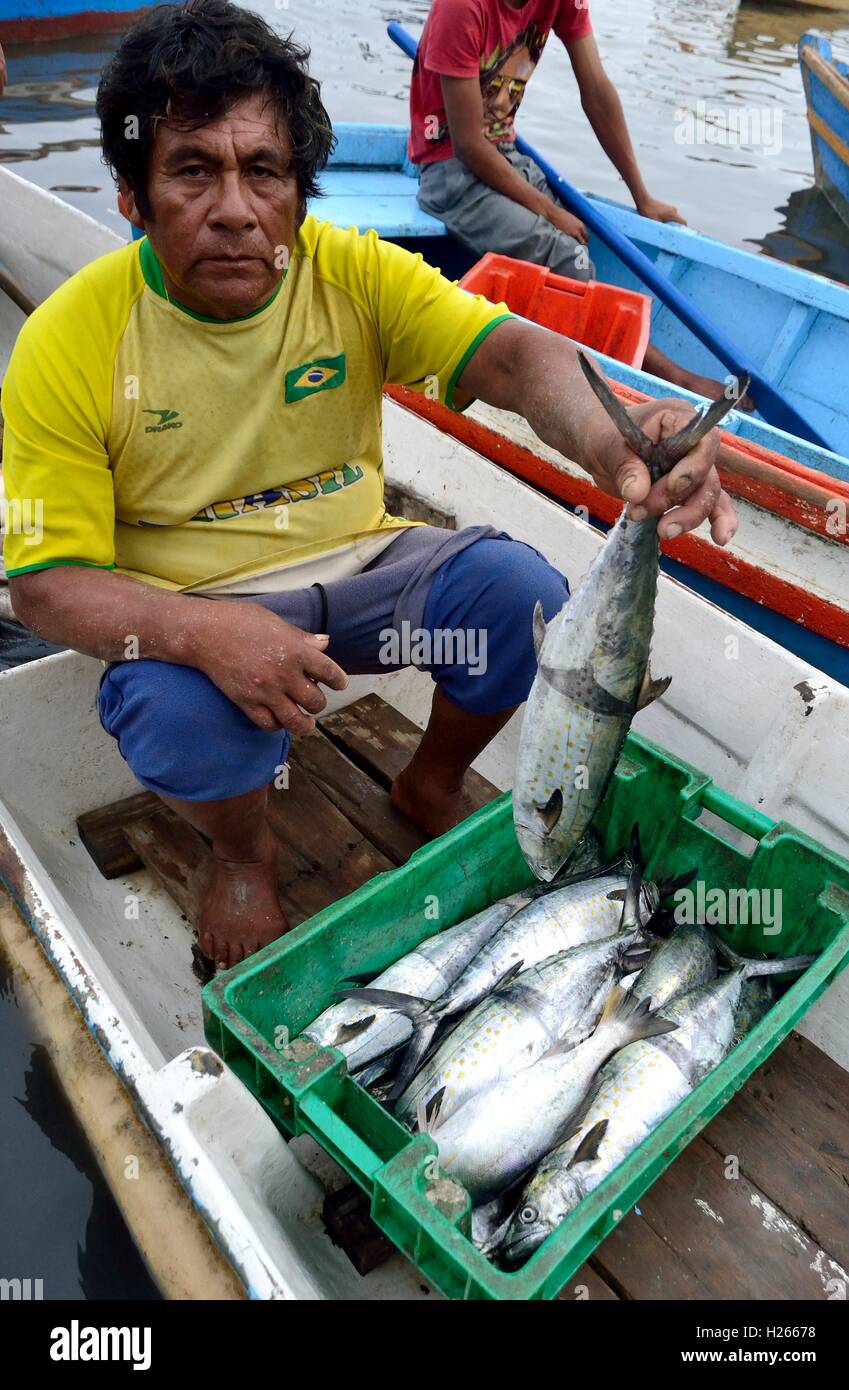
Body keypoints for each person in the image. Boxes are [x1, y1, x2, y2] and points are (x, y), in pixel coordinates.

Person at [2, 0, 736, 972]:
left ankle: (426, 784)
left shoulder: (346, 273)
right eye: (192, 170)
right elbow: (45, 587)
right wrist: (210, 633)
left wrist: (614, 441)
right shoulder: (70, 339)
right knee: (170, 710)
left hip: (363, 569)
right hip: (193, 607)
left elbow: (511, 359)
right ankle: (242, 848)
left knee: (518, 596)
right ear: (132, 195)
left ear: (300, 191)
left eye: (262, 172)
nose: (234, 209)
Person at [409, 0, 738, 400]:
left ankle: (576, 355)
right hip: (450, 171)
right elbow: (468, 145)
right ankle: (666, 377)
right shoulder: (462, 8)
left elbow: (596, 90)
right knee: (568, 256)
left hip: (507, 156)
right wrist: (546, 210)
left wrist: (642, 196)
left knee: (578, 244)